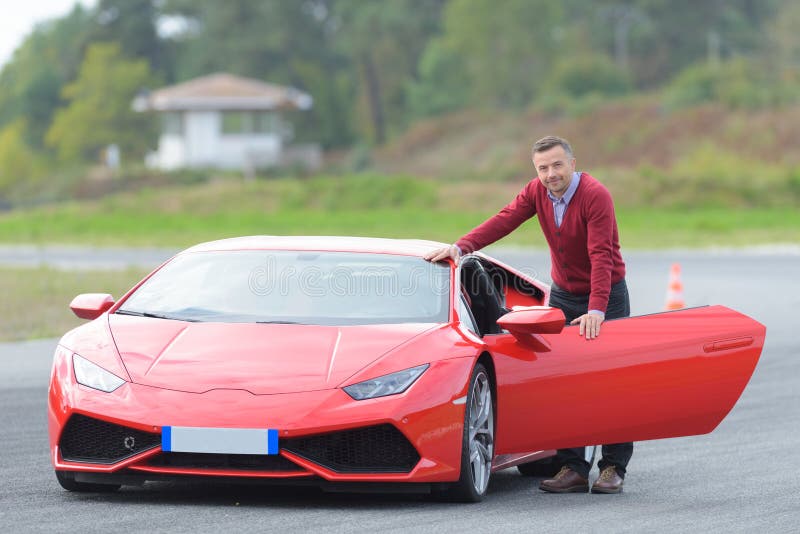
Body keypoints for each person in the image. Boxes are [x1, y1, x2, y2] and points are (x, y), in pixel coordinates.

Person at [424, 135, 632, 494]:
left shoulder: (595, 195)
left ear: (572, 163)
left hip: (606, 296)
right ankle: (573, 466)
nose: (550, 174)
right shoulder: (537, 192)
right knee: (565, 382)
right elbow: (505, 219)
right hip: (565, 295)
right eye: (543, 168)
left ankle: (613, 467)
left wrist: (597, 308)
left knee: (610, 383)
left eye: (556, 165)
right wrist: (462, 247)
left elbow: (601, 255)